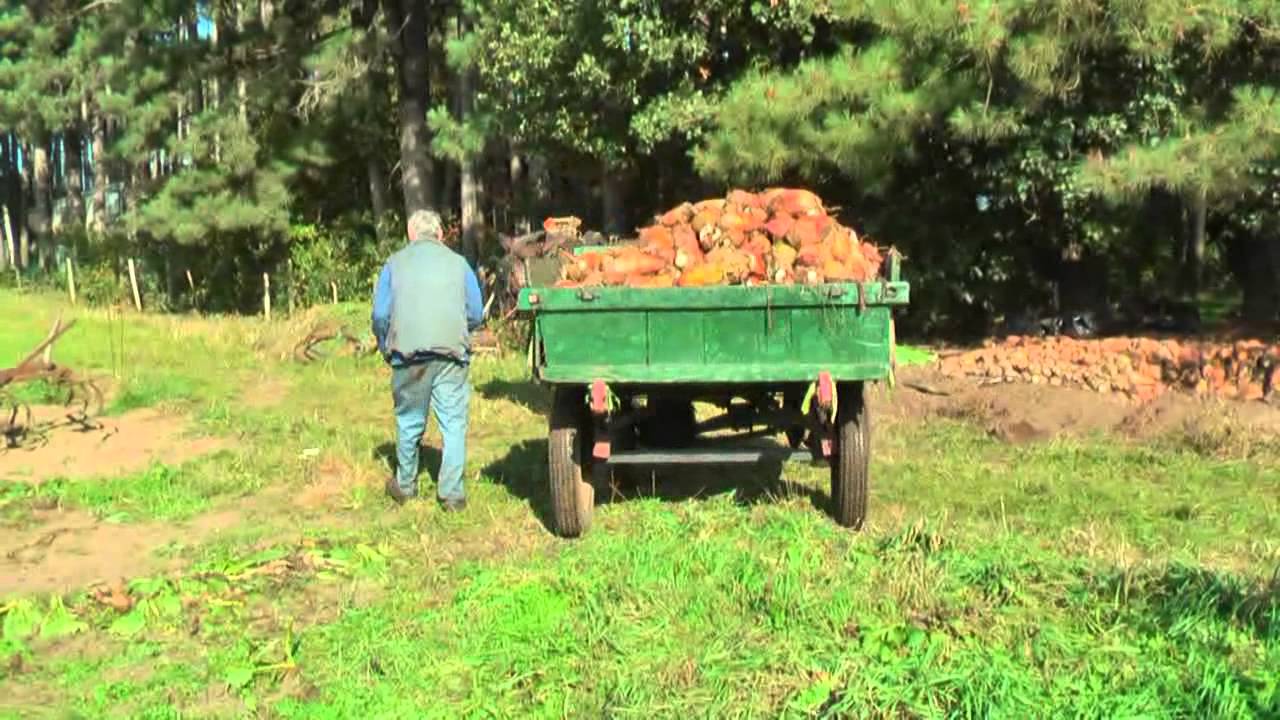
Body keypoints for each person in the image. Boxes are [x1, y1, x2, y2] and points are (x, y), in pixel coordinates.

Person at [371, 210, 484, 511]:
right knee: (454, 423)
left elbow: (381, 315)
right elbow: (476, 312)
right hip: (451, 354)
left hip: (408, 355)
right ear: (441, 234)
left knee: (409, 421)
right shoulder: (459, 264)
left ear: (410, 234)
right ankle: (452, 494)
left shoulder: (394, 264)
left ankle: (405, 486)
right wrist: (458, 331)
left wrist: (385, 345)